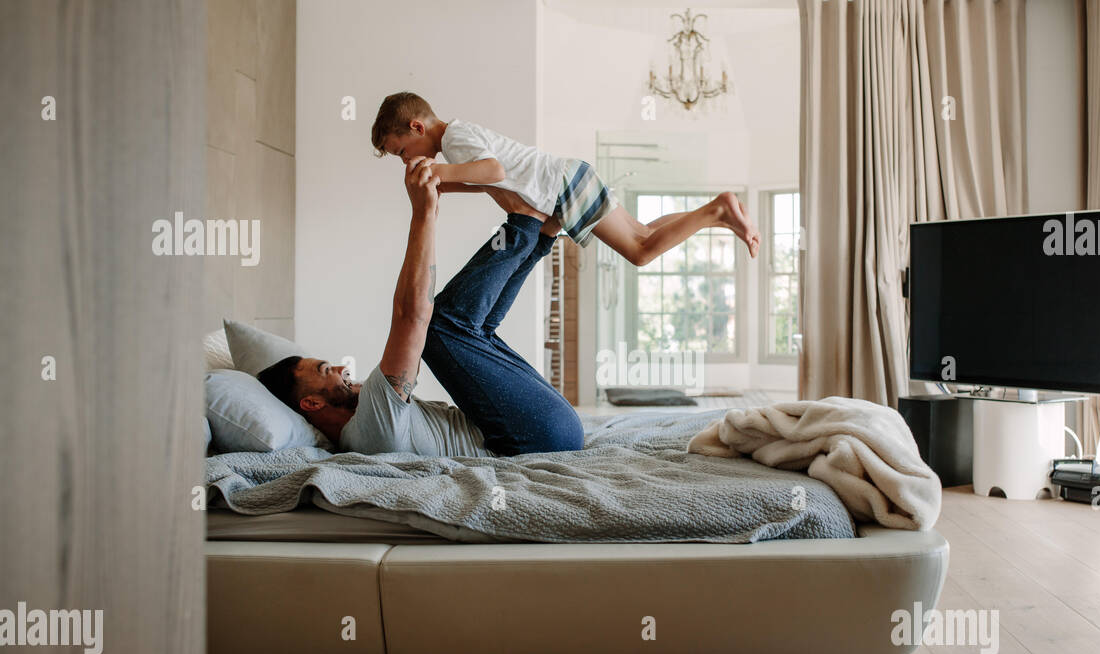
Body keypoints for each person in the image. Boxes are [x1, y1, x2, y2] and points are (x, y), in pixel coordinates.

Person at [257, 157, 584, 457]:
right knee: (440, 327)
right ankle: (526, 224)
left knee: (473, 332)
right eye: (325, 370)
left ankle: (542, 231)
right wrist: (424, 212)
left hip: (548, 430)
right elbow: (410, 316)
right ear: (311, 402)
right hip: (540, 436)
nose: (342, 368)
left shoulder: (365, 427)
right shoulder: (369, 427)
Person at [369, 91, 761, 264]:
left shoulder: (454, 141)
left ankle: (716, 211)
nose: (406, 161)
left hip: (564, 186)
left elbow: (494, 172)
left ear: (417, 128)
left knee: (641, 252)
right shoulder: (458, 140)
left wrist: (437, 171)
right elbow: (485, 179)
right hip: (569, 176)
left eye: (402, 151)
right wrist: (442, 186)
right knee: (641, 231)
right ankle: (716, 213)